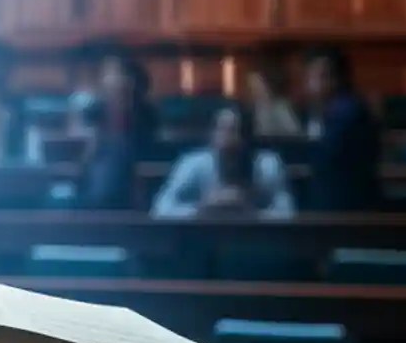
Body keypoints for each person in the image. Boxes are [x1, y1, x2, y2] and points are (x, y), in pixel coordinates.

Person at [152, 106, 294, 219]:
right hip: (203, 239)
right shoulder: (193, 164)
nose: (227, 137)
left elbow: (287, 213)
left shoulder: (267, 165)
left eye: (235, 131)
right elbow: (160, 209)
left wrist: (251, 213)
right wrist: (202, 209)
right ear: (212, 134)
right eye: (222, 129)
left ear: (248, 138)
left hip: (253, 241)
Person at [302, 46, 380, 211]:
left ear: (334, 79)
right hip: (336, 199)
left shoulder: (347, 112)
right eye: (309, 76)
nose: (310, 83)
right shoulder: (326, 109)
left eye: (316, 76)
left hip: (345, 203)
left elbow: (325, 157)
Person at [75, 49, 153, 209]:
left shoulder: (147, 113)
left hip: (134, 170)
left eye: (121, 74)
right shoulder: (91, 111)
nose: (116, 80)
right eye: (110, 74)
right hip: (94, 175)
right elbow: (82, 151)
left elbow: (150, 147)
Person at [246, 58, 302, 137]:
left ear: (267, 85)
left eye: (258, 85)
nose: (254, 90)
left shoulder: (281, 107)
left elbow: (294, 133)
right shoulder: (250, 109)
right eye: (251, 87)